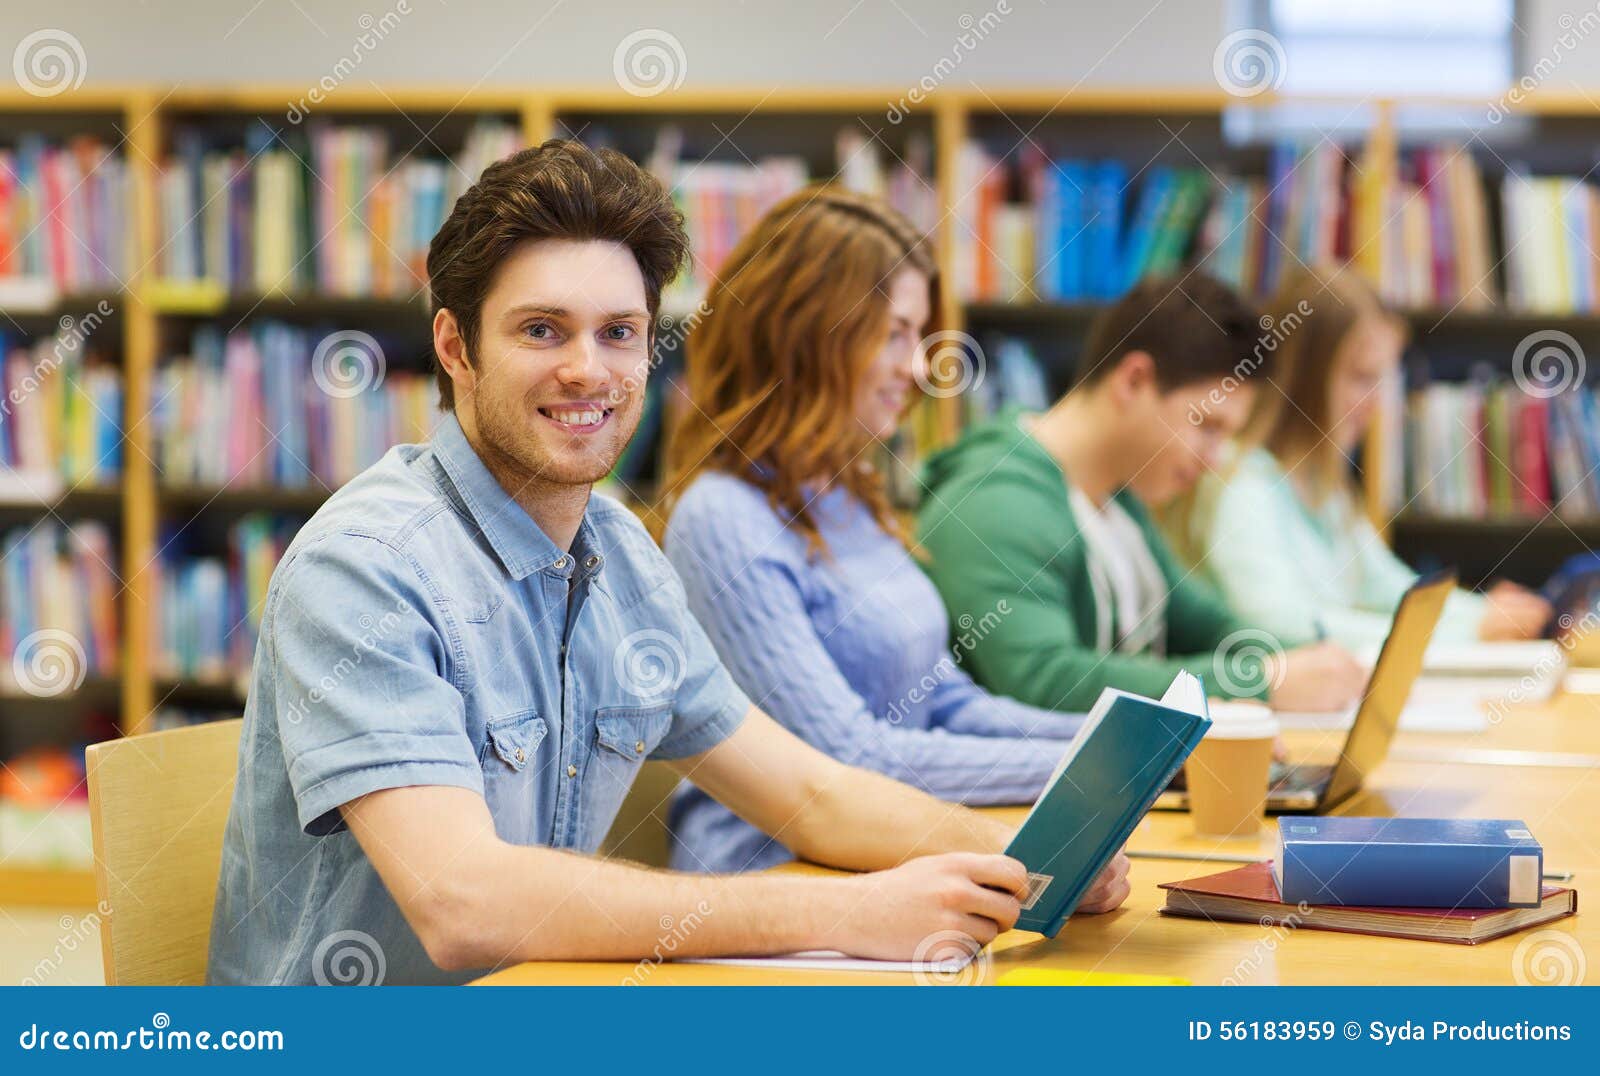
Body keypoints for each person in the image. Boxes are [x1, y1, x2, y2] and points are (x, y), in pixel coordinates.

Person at [206, 141, 1129, 986]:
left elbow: (812, 794)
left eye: (618, 332)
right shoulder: (369, 567)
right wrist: (847, 912)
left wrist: (1028, 861)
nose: (587, 370)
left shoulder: (622, 559)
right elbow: (463, 903)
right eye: (541, 330)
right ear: (455, 347)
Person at [661, 186, 1090, 875]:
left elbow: (944, 702)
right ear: (808, 334)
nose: (917, 366)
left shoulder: (845, 497)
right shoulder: (723, 519)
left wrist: (1108, 745)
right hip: (772, 880)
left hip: (887, 858)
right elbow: (849, 758)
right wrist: (1087, 771)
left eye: (917, 335)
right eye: (894, 333)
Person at [917, 274, 1364, 715]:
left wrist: (1311, 661)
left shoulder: (1115, 495)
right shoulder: (996, 502)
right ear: (1133, 380)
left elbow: (1201, 622)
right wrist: (1259, 682)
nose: (1213, 461)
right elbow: (1044, 681)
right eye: (1206, 426)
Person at [1168, 264, 1551, 652]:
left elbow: (1394, 589)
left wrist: (1485, 614)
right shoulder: (1243, 482)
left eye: (1381, 381)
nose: (1375, 405)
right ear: (1304, 379)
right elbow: (1279, 624)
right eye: (1361, 378)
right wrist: (1470, 631)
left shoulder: (1324, 488)